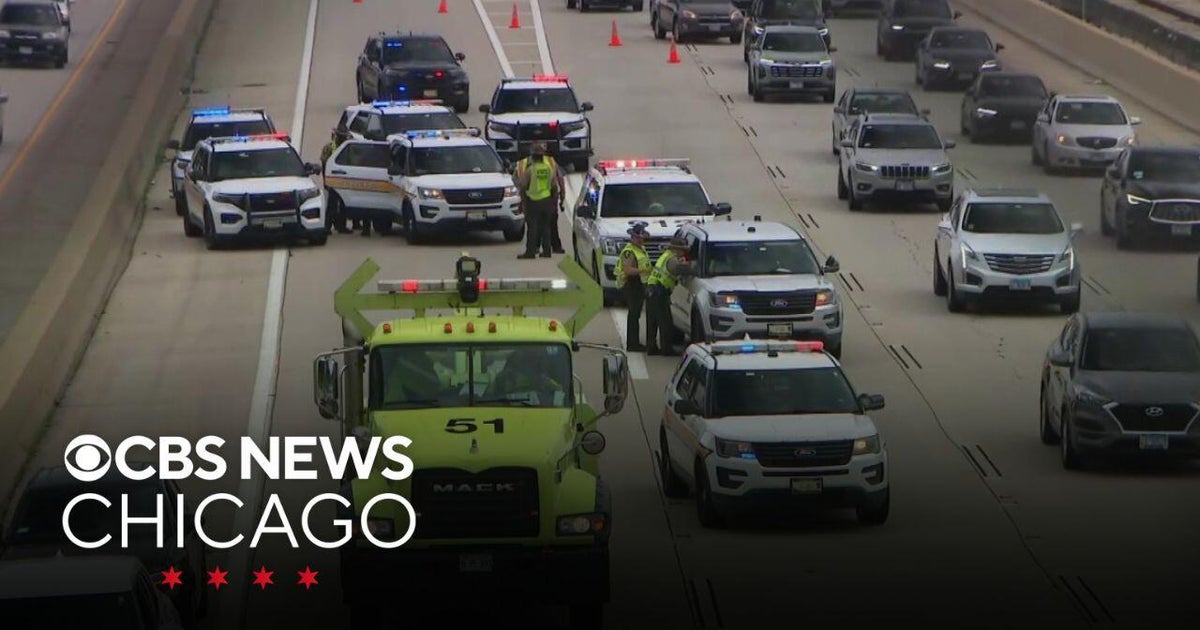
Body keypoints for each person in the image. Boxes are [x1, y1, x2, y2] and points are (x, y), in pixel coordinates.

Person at [644, 236, 697, 355]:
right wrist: (693, 266)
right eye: (682, 250)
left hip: (651, 290)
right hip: (659, 292)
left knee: (652, 322)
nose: (683, 252)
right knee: (665, 322)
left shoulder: (666, 256)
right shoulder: (672, 260)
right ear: (676, 249)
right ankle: (666, 349)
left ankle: (651, 347)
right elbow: (679, 269)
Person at [515, 141, 564, 259]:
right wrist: (556, 200)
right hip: (547, 201)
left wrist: (522, 203)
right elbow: (554, 186)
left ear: (533, 156)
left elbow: (522, 186)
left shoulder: (531, 170)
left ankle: (530, 252)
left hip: (533, 201)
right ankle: (547, 251)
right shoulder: (548, 168)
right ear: (542, 156)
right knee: (546, 227)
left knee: (532, 228)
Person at [616, 221, 652, 351]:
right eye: (638, 238)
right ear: (633, 237)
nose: (641, 240)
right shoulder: (629, 252)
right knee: (633, 314)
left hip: (639, 284)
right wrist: (643, 271)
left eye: (642, 238)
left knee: (636, 314)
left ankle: (634, 342)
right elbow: (627, 270)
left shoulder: (639, 249)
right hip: (632, 283)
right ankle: (632, 344)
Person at [319, 128, 361, 234]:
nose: (343, 139)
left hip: (344, 181)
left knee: (343, 204)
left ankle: (341, 226)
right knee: (332, 205)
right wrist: (326, 182)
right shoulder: (329, 148)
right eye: (341, 137)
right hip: (333, 181)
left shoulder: (348, 148)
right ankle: (327, 227)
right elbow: (324, 165)